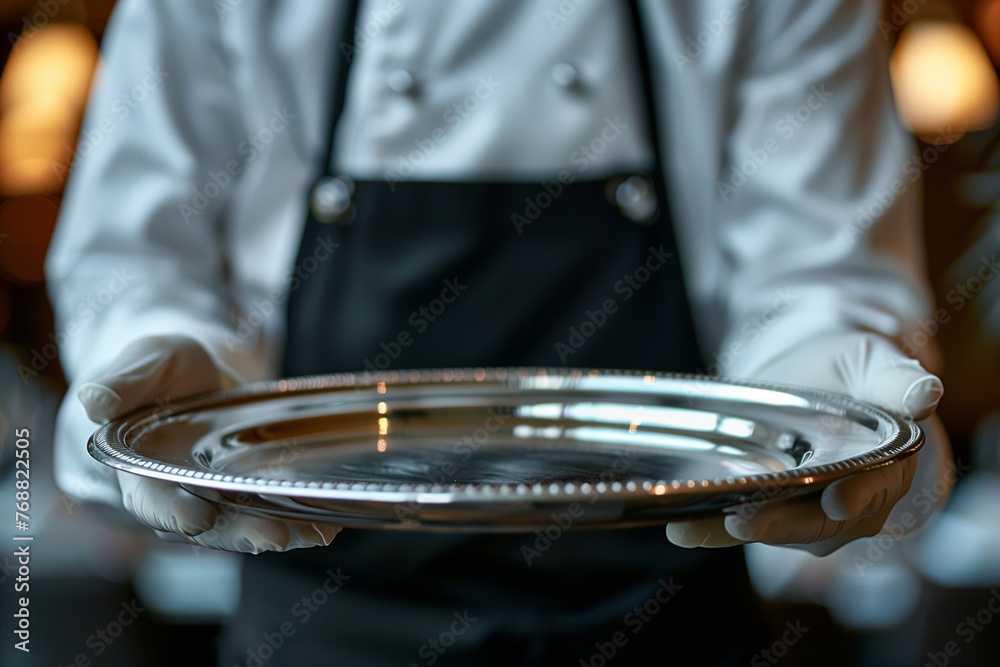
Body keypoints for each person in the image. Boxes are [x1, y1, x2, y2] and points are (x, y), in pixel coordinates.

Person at [47, 0, 950, 664]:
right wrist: (160, 372)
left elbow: (820, 276)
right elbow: (135, 263)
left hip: (670, 630)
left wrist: (825, 395)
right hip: (320, 633)